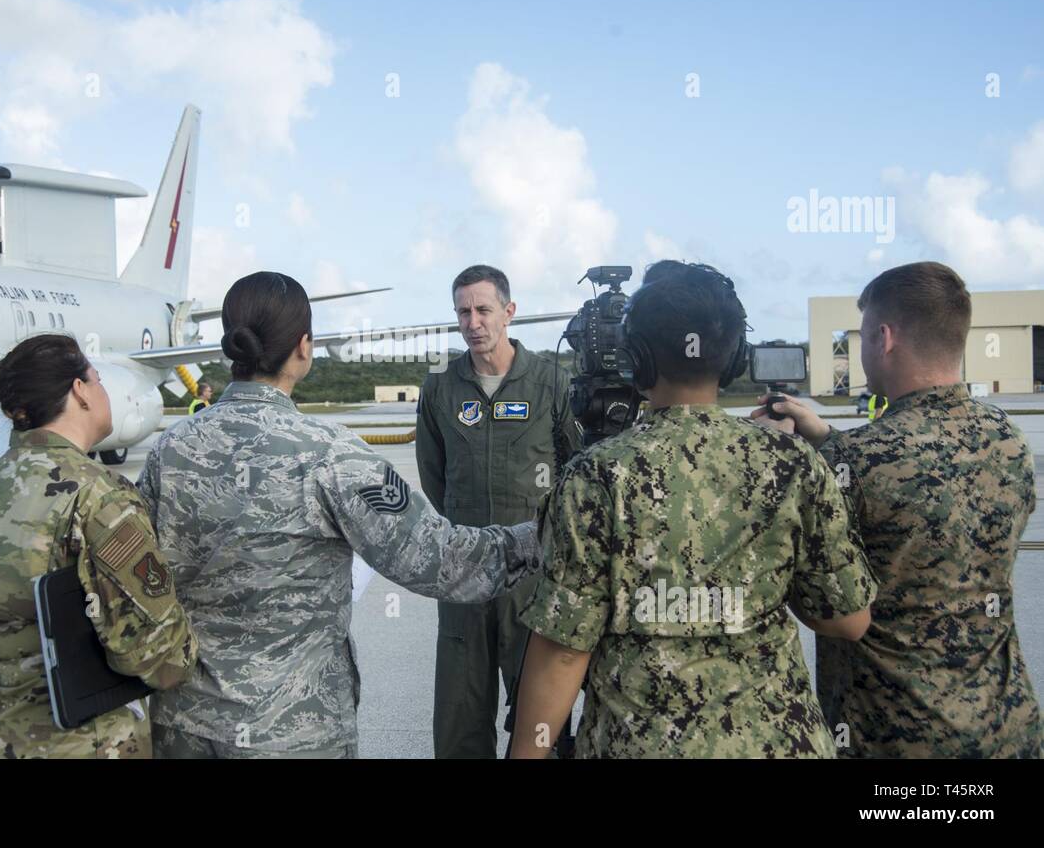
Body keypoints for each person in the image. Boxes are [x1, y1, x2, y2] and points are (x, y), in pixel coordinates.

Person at [139, 271, 541, 759]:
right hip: (292, 731)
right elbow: (440, 559)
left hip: (184, 727)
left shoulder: (168, 450)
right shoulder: (331, 454)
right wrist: (545, 534)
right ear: (304, 348)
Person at [512, 261, 876, 759]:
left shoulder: (595, 476)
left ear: (636, 358)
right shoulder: (794, 464)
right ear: (734, 361)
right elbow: (848, 620)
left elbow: (563, 652)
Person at [754, 262, 1042, 758]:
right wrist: (828, 439)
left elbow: (819, 599)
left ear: (884, 338)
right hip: (1008, 727)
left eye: (863, 336)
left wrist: (782, 459)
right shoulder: (1008, 439)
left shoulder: (857, 461)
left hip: (893, 738)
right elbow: (922, 478)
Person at [0, 333, 198, 758]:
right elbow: (158, 656)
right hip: (76, 746)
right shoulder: (99, 498)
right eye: (98, 380)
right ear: (80, 391)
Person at [415, 263, 580, 758]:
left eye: (483, 309)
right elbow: (433, 473)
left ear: (509, 312)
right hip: (463, 572)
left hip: (532, 575)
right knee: (460, 715)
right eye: (463, 312)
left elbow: (575, 469)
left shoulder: (550, 381)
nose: (473, 322)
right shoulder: (440, 386)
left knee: (541, 721)